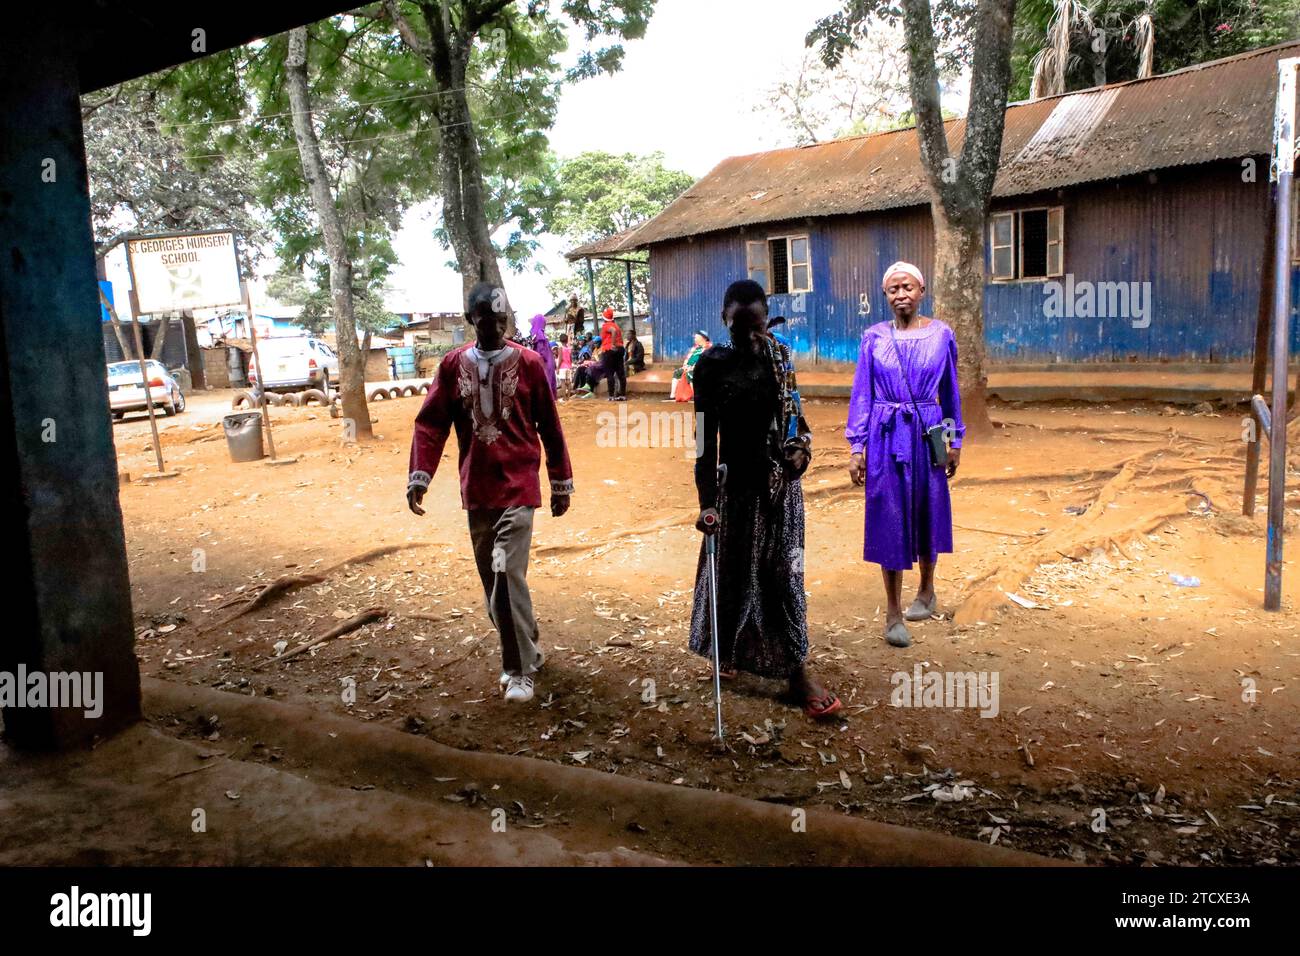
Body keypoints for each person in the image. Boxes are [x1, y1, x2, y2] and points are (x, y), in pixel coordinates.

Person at [407, 282, 574, 703]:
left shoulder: (531, 364)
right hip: (477, 489)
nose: (496, 328)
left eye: (502, 321)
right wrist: (419, 475)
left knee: (504, 573)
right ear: (471, 320)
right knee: (493, 583)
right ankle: (528, 646)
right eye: (486, 321)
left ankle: (518, 671)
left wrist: (559, 481)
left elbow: (550, 427)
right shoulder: (451, 366)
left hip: (519, 488)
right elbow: (430, 424)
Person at [689, 279, 840, 720]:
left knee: (782, 578)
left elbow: (798, 419)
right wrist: (706, 502)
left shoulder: (780, 358)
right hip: (735, 491)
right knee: (733, 574)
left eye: (756, 327)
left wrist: (801, 450)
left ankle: (797, 672)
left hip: (780, 490)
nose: (749, 337)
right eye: (739, 328)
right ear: (724, 320)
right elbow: (703, 440)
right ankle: (728, 650)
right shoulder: (710, 366)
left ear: (766, 320)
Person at [845, 261, 964, 648]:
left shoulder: (941, 335)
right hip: (884, 434)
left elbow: (949, 392)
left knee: (929, 508)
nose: (901, 294)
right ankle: (893, 612)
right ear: (886, 295)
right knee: (888, 516)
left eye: (908, 287)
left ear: (921, 291)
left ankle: (927, 590)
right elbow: (862, 394)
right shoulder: (873, 338)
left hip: (927, 430)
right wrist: (857, 446)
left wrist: (954, 441)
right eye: (894, 289)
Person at [671, 331, 709, 402]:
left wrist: (694, 367)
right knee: (677, 372)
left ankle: (695, 396)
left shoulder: (708, 348)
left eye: (696, 337)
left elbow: (705, 362)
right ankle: (672, 396)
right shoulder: (695, 348)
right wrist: (685, 366)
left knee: (690, 373)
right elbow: (687, 359)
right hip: (689, 368)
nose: (694, 339)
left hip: (701, 370)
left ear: (702, 338)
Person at [599, 307, 627, 400]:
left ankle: (611, 396)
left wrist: (613, 344)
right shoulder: (616, 325)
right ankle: (622, 395)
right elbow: (615, 331)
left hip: (609, 351)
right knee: (620, 373)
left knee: (609, 373)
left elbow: (613, 331)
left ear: (604, 318)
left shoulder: (606, 325)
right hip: (620, 349)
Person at [529, 313, 557, 397]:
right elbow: (542, 351)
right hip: (545, 363)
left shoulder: (533, 334)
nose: (545, 323)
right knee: (546, 382)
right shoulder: (540, 334)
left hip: (540, 362)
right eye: (544, 322)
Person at [556, 333, 573, 397]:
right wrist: (570, 365)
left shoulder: (560, 348)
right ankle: (568, 397)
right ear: (567, 340)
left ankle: (564, 398)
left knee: (563, 383)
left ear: (560, 340)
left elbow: (560, 359)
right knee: (568, 382)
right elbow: (571, 359)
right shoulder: (569, 348)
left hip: (562, 367)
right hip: (568, 367)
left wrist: (557, 368)